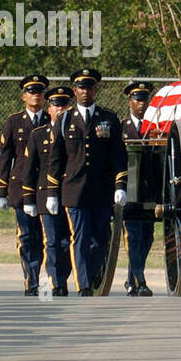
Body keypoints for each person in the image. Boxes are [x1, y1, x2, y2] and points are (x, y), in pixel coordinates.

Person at [46, 68, 127, 296]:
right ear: (75, 90)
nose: (85, 92)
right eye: (81, 87)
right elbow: (56, 158)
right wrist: (52, 191)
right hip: (74, 190)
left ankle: (89, 275)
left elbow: (118, 156)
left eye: (89, 87)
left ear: (95, 90)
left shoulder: (109, 119)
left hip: (101, 190)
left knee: (100, 239)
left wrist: (120, 185)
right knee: (79, 237)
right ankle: (83, 285)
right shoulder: (65, 120)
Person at [0, 74, 49, 295]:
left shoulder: (51, 119)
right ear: (23, 96)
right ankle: (31, 277)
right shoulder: (14, 121)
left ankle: (47, 277)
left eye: (39, 92)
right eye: (31, 92)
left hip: (45, 187)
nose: (35, 96)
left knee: (45, 236)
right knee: (27, 236)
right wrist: (2, 191)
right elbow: (5, 157)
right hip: (20, 187)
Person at [22, 85, 74, 296]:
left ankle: (63, 279)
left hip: (69, 193)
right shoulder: (38, 134)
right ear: (49, 109)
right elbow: (29, 169)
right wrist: (29, 198)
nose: (59, 109)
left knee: (65, 241)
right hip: (45, 195)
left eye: (64, 105)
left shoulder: (74, 131)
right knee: (50, 241)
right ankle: (52, 282)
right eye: (55, 105)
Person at [120, 81, 155, 296]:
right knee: (132, 235)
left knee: (147, 237)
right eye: (137, 99)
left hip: (150, 189)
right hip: (128, 190)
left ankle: (131, 276)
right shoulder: (121, 128)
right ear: (129, 102)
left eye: (144, 99)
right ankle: (139, 280)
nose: (141, 104)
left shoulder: (155, 128)